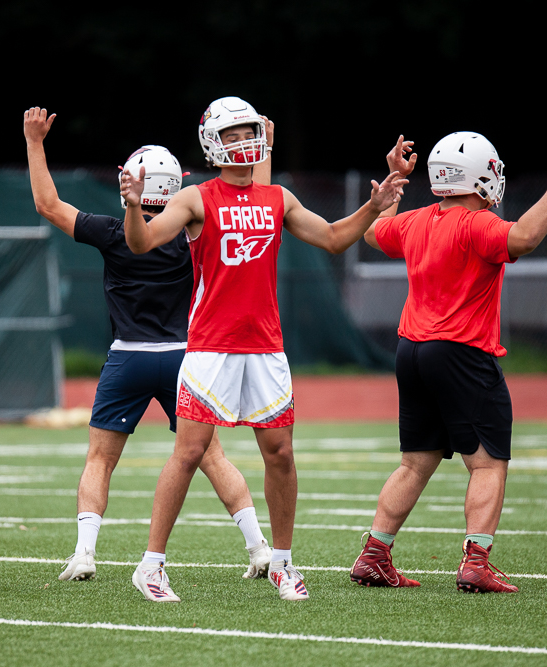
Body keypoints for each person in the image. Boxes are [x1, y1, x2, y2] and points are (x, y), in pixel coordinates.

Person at [121, 96, 407, 602]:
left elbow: (336, 238)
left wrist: (375, 205)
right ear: (212, 143)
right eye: (230, 135)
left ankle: (281, 563)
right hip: (211, 347)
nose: (241, 141)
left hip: (266, 348)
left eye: (247, 131)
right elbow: (141, 243)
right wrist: (131, 206)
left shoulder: (280, 197)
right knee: (189, 452)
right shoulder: (194, 199)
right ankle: (151, 564)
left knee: (280, 454)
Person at [23, 106, 274, 583]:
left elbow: (48, 204)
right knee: (212, 456)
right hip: (187, 357)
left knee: (100, 458)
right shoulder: (197, 230)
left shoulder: (117, 232)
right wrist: (262, 155)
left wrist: (35, 142)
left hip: (128, 358)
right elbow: (252, 205)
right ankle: (259, 548)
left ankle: (84, 554)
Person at [349, 131, 547, 593]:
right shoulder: (477, 223)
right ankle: (476, 562)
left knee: (414, 463)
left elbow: (371, 231)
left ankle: (374, 555)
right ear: (481, 176)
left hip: (412, 351)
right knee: (486, 465)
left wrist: (393, 185)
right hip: (461, 352)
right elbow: (523, 237)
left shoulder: (417, 221)